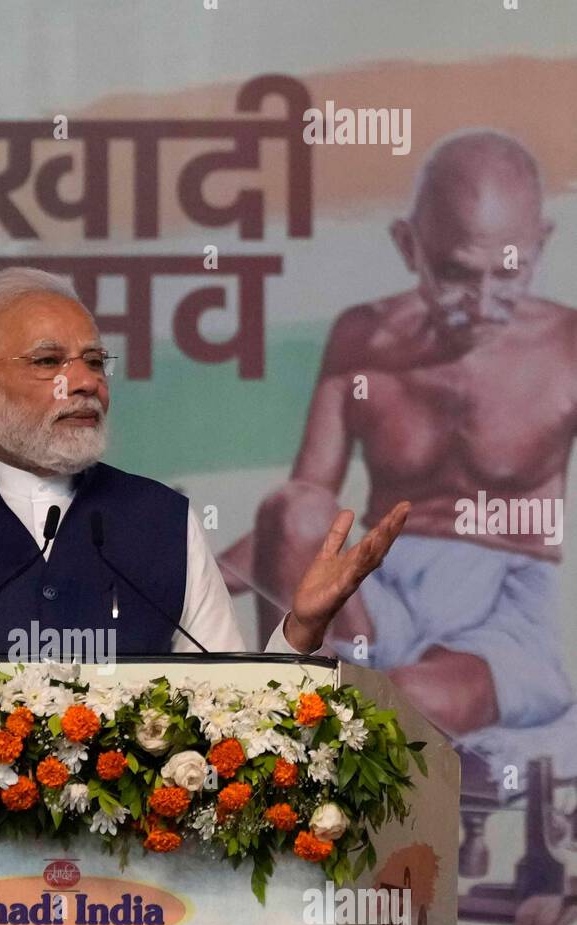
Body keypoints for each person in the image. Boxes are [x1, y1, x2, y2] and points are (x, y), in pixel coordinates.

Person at [0, 268, 409, 658]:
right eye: (48, 363)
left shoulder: (160, 520)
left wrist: (300, 629)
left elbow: (235, 712)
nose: (85, 382)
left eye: (94, 362)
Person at [220, 130, 576, 747]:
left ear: (539, 243)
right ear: (409, 246)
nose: (485, 301)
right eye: (458, 274)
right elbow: (301, 517)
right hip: (378, 590)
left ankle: (313, 719)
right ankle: (288, 724)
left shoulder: (567, 346)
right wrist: (181, 580)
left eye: (508, 271)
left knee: (400, 703)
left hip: (501, 612)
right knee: (294, 507)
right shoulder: (362, 339)